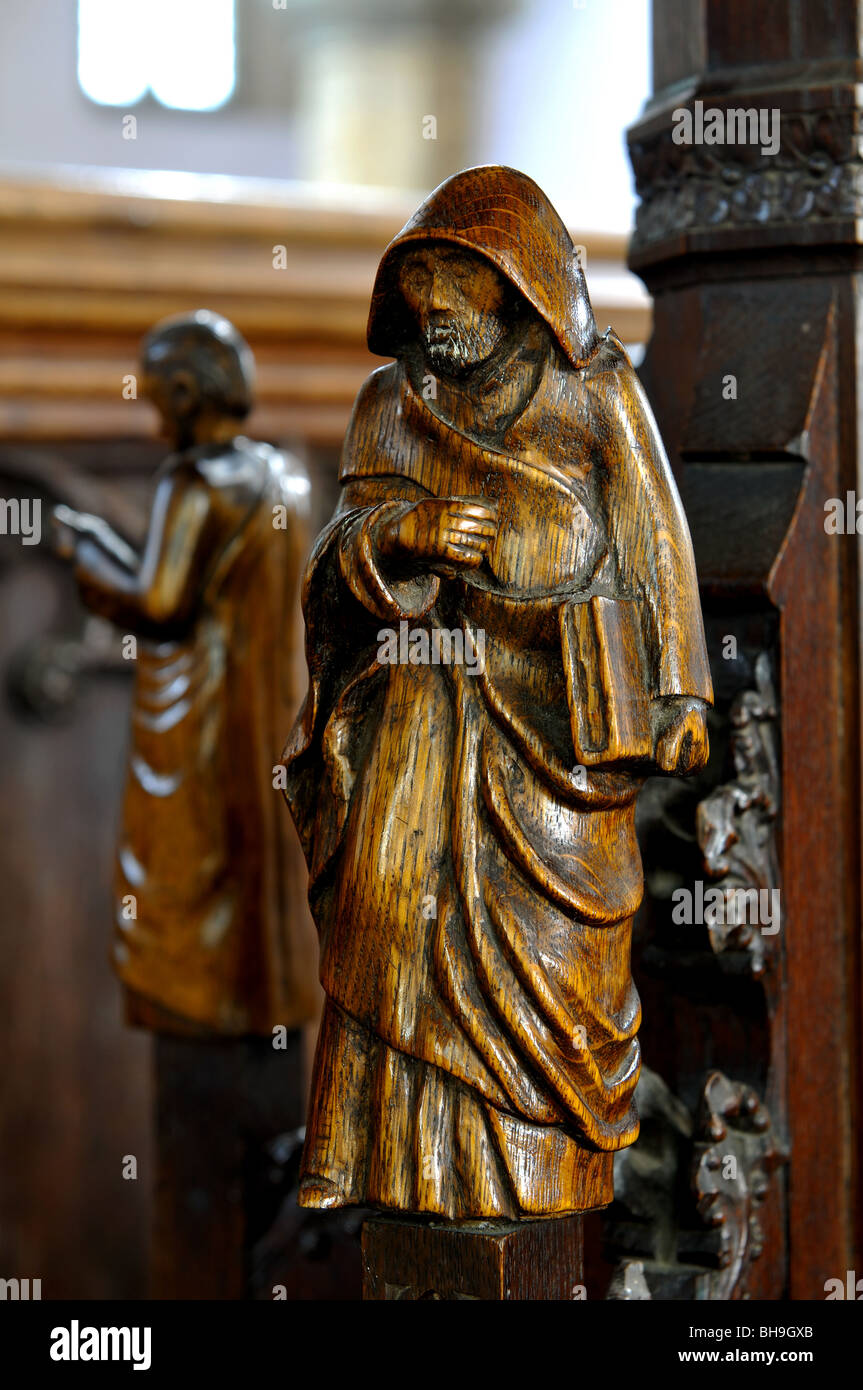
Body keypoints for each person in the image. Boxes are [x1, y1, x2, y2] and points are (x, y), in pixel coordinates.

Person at [281, 167, 713, 1219]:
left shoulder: (593, 389)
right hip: (420, 723)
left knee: (550, 963)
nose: (434, 308)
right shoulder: (390, 404)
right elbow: (334, 567)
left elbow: (656, 546)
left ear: (518, 280)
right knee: (389, 917)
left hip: (554, 713)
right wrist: (399, 536)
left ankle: (532, 1152)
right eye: (418, 283)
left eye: (455, 280)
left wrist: (680, 695)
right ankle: (367, 1146)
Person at [53, 309, 318, 1035]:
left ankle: (211, 1011)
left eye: (154, 399)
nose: (154, 422)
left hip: (202, 726)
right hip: (267, 715)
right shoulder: (283, 477)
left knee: (188, 903)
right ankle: (263, 1002)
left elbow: (160, 603)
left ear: (183, 392)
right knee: (255, 887)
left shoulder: (195, 482)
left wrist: (84, 555)